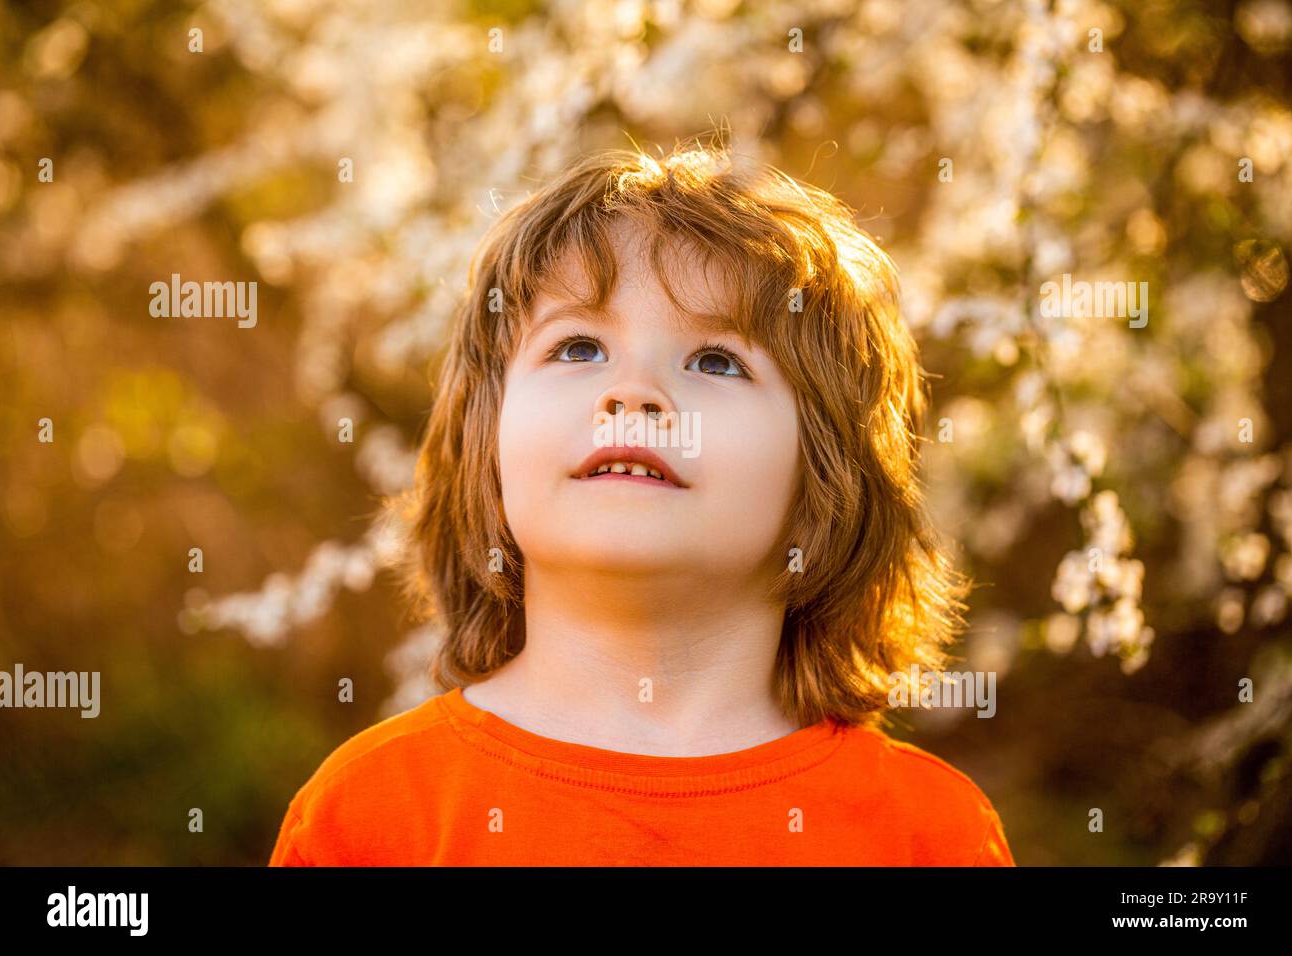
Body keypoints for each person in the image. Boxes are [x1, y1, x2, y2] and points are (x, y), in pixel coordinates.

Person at [269, 140, 1014, 866]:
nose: (632, 393)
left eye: (716, 360)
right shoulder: (367, 818)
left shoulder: (929, 836)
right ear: (487, 439)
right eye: (578, 348)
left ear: (827, 469)